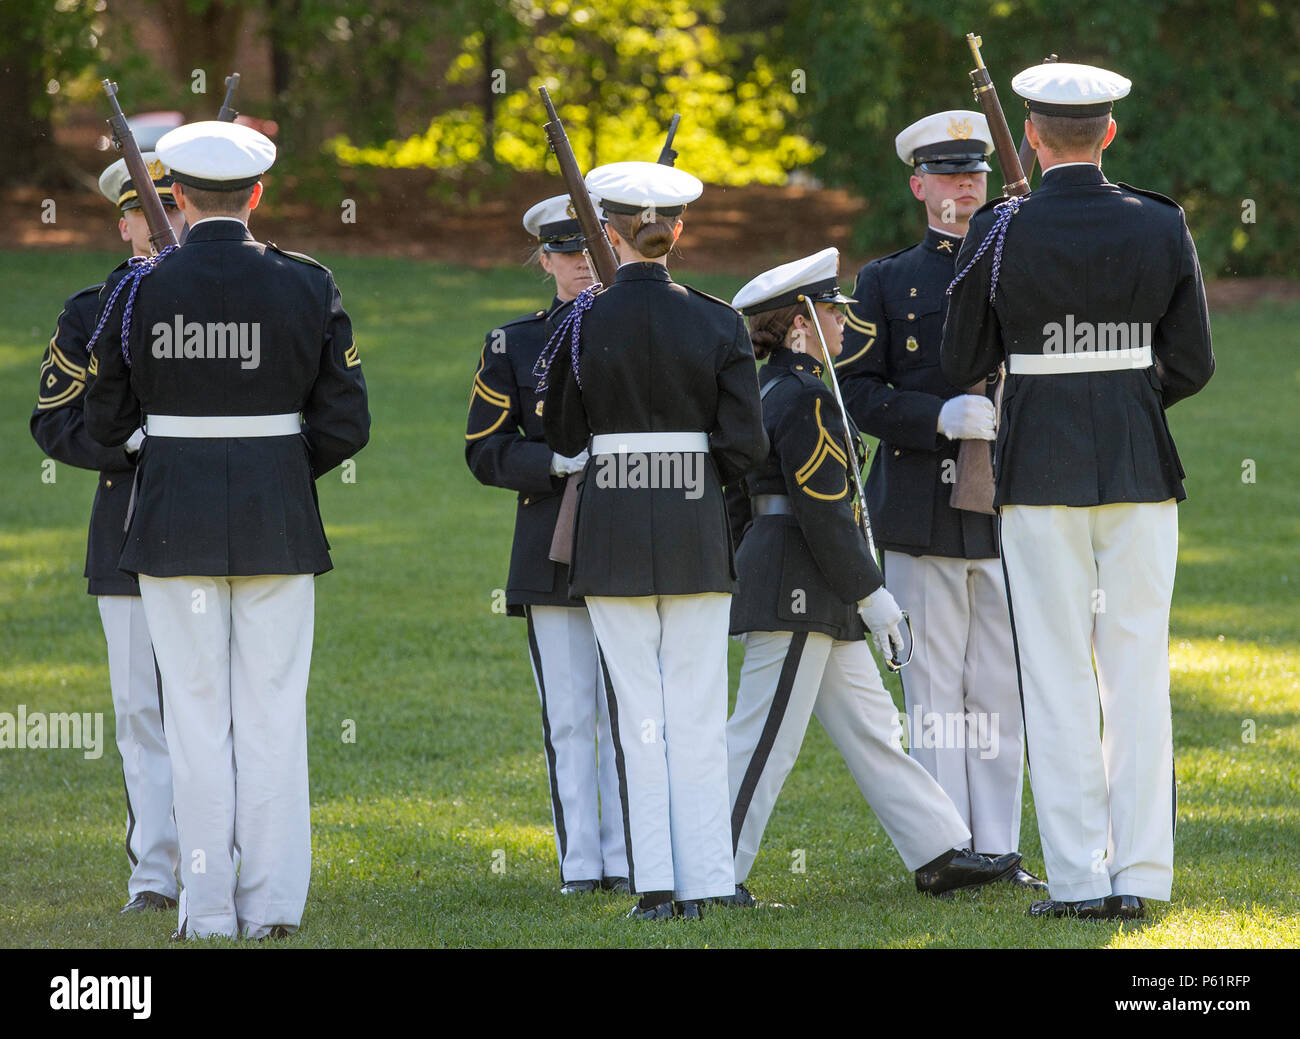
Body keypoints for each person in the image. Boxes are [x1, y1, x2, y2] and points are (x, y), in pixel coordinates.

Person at [84, 120, 371, 940]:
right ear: (256, 195)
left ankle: (204, 908)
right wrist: (276, 468)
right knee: (274, 710)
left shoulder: (138, 289)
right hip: (276, 522)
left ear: (174, 196)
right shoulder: (306, 283)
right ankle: (273, 906)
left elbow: (104, 417)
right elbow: (345, 423)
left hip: (172, 520)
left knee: (196, 717)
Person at [941, 63, 1214, 920]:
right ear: (1108, 133)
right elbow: (1194, 362)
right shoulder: (1158, 220)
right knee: (1136, 671)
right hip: (1139, 471)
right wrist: (1126, 402)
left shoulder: (998, 230)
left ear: (1028, 134)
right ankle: (1142, 875)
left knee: (1056, 676)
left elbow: (959, 361)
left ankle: (1078, 880)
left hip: (1039, 474)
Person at [723, 249, 1023, 905]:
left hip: (807, 581)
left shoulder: (773, 390)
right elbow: (826, 514)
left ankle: (940, 849)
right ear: (801, 326)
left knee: (873, 731)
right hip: (800, 583)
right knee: (763, 735)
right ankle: (711, 871)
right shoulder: (805, 398)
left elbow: (743, 502)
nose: (841, 324)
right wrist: (876, 596)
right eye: (830, 312)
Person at [541, 160, 768, 919]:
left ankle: (657, 885)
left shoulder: (582, 319)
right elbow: (746, 443)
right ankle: (706, 877)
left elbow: (564, 431)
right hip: (694, 527)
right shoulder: (717, 319)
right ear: (679, 231)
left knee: (638, 712)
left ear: (609, 231)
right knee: (698, 711)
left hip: (611, 531)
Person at [836, 111, 1042, 890]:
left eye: (976, 174)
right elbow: (856, 390)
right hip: (921, 505)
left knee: (998, 686)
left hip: (1009, 508)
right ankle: (947, 849)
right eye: (949, 175)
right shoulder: (886, 282)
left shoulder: (1023, 262)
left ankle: (999, 844)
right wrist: (933, 419)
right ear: (919, 185)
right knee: (933, 689)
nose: (965, 186)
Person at [29, 140, 185, 915]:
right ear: (124, 227)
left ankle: (220, 858)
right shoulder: (91, 310)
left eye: (172, 209)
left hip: (219, 529)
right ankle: (155, 874)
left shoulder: (233, 295)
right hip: (125, 525)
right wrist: (121, 445)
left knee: (212, 702)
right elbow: (50, 419)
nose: (158, 226)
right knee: (139, 708)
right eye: (141, 214)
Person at [465, 194, 627, 895]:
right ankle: (582, 863)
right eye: (565, 251)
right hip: (550, 540)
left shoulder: (640, 326)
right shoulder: (515, 343)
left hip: (630, 537)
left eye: (592, 248)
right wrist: (550, 463)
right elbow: (483, 449)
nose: (580, 264)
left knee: (629, 714)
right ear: (544, 259)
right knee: (569, 713)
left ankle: (630, 856)